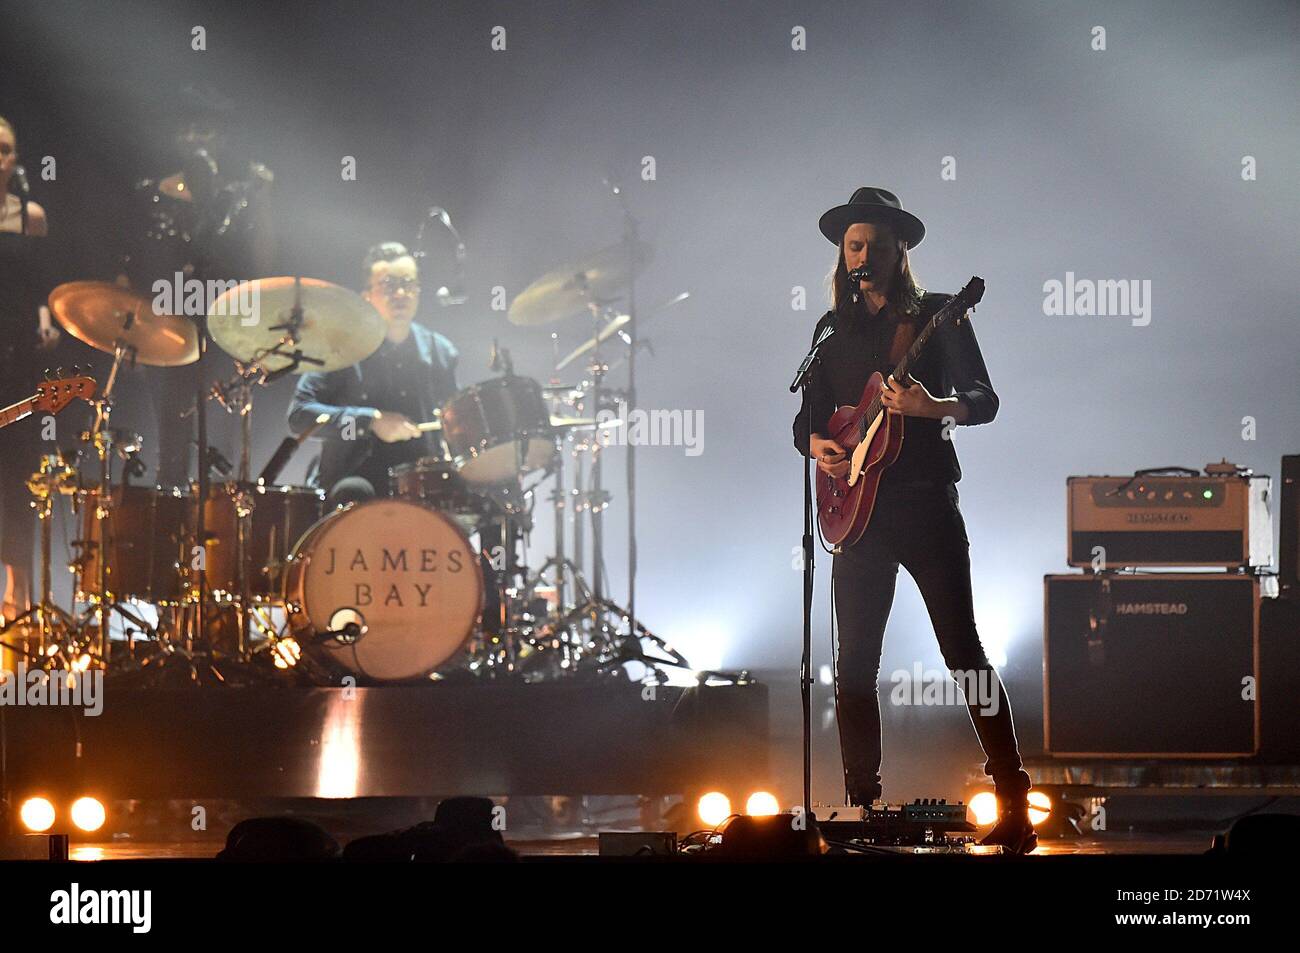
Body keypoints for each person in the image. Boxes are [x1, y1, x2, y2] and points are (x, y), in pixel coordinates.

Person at [793, 187, 1037, 853]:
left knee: (964, 653)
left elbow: (984, 399)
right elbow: (805, 419)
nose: (863, 256)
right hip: (857, 516)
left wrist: (934, 407)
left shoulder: (937, 315)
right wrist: (818, 445)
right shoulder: (830, 331)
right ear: (843, 256)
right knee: (852, 669)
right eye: (854, 246)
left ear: (900, 252)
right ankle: (861, 806)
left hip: (926, 506)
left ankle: (1015, 802)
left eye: (875, 245)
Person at [288, 241, 459, 502]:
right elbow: (299, 416)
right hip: (353, 489)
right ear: (366, 295)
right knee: (355, 492)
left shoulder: (441, 352)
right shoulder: (341, 348)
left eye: (408, 284)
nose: (400, 293)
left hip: (421, 492)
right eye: (389, 285)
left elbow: (457, 423)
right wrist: (369, 422)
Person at [0, 114, 55, 620]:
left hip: (15, 355)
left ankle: (17, 591)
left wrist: (45, 322)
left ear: (14, 158)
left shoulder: (30, 216)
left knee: (18, 472)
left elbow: (40, 287)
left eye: (4, 149)